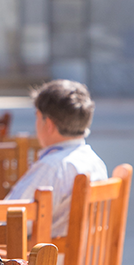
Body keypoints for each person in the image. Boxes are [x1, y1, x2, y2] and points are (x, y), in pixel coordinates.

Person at [7, 79, 108, 238]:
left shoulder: (53, 166)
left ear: (49, 124)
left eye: (38, 117)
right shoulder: (96, 162)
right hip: (83, 261)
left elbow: (9, 221)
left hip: (47, 261)